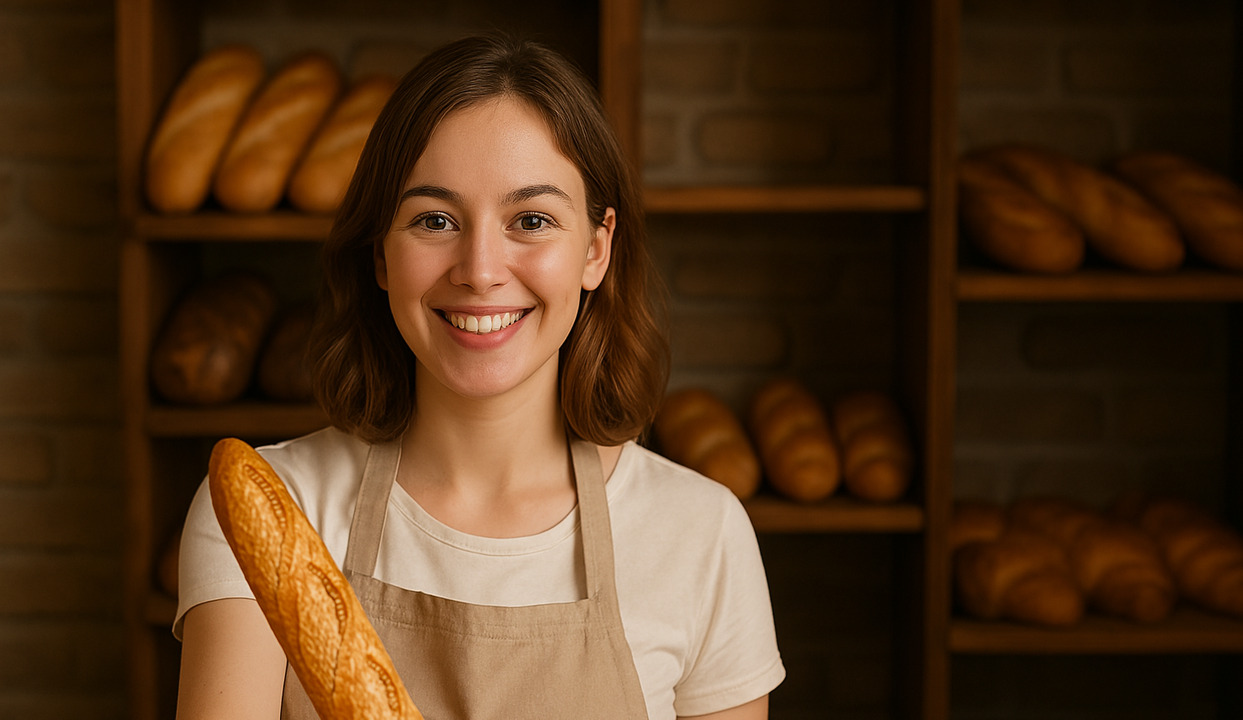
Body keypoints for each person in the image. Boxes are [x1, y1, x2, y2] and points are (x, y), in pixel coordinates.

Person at [173, 34, 784, 720]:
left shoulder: (697, 533)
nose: (481, 268)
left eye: (531, 219)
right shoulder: (275, 513)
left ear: (596, 249)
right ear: (380, 254)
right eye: (435, 219)